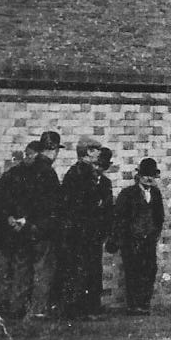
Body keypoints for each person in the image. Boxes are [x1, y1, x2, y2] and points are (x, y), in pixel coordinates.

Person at [0, 130, 64, 320]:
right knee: (42, 269)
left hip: (18, 229)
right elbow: (49, 206)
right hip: (39, 230)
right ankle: (38, 310)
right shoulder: (48, 173)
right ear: (54, 150)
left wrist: (13, 219)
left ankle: (16, 310)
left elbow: (6, 199)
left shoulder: (19, 170)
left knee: (20, 269)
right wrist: (31, 221)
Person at [59, 136, 106, 319]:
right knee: (83, 269)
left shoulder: (76, 171)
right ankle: (81, 309)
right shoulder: (83, 173)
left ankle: (81, 308)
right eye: (96, 150)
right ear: (89, 151)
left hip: (80, 230)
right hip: (84, 231)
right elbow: (85, 203)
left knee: (81, 269)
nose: (99, 154)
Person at [111, 158, 165, 315]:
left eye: (152, 176)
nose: (149, 179)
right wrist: (125, 238)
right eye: (146, 175)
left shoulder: (156, 193)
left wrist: (154, 233)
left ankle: (144, 304)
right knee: (133, 271)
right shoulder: (128, 194)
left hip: (149, 240)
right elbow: (120, 218)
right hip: (132, 241)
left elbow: (159, 217)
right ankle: (133, 306)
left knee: (149, 270)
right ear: (139, 176)